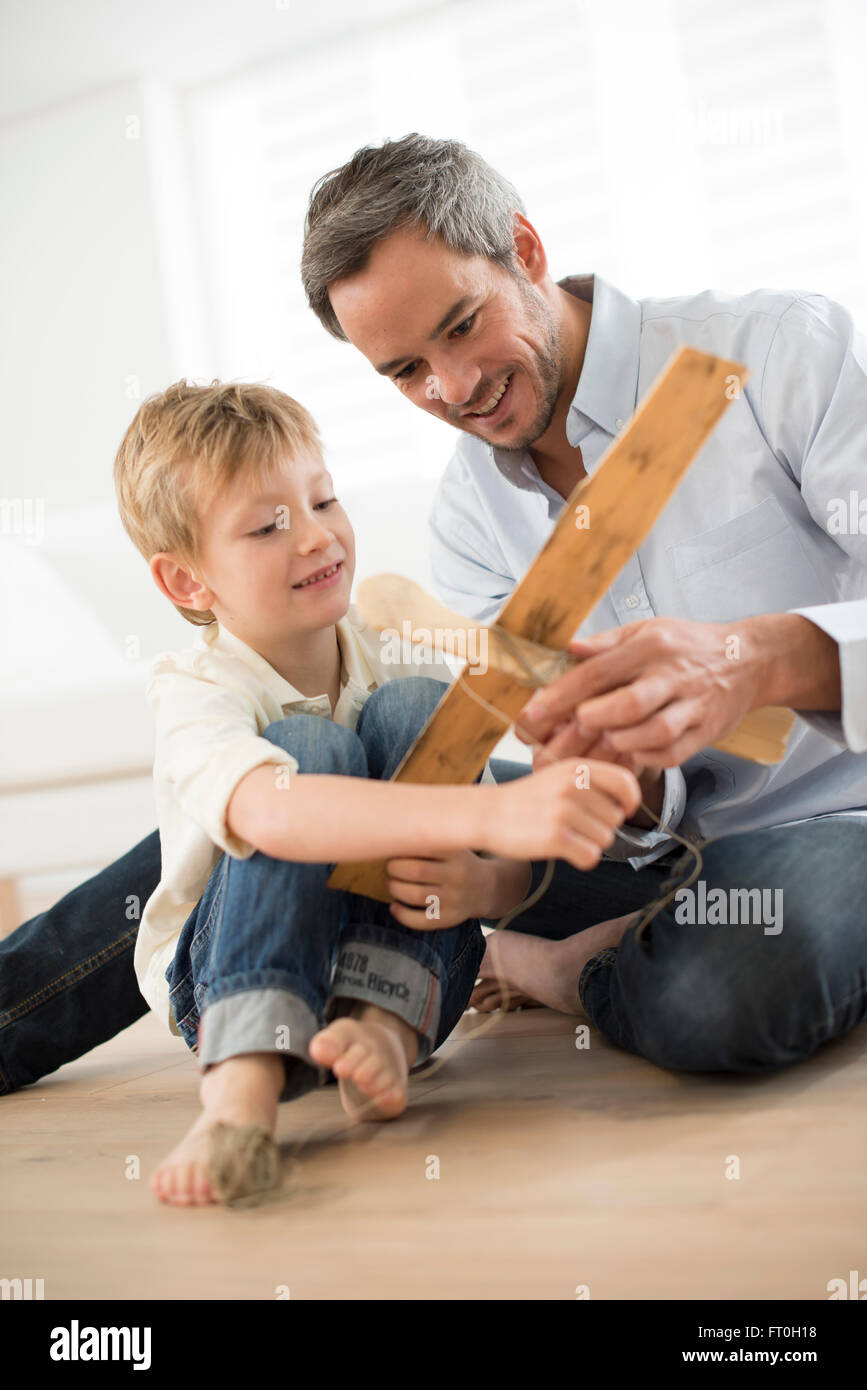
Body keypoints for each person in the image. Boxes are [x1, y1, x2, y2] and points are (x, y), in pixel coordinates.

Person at [3, 130, 866, 1092]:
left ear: (525, 251)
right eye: (405, 371)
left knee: (727, 994)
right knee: (262, 796)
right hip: (640, 848)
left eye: (460, 327)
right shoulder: (470, 509)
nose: (452, 390)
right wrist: (600, 773)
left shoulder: (775, 353)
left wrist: (761, 658)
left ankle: (555, 965)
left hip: (840, 813)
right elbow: (605, 809)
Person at [108, 378, 639, 1204]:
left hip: (397, 972)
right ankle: (239, 1095)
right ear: (186, 583)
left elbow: (501, 697)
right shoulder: (194, 686)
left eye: (323, 500)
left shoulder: (384, 638)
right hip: (229, 980)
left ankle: (383, 1025)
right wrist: (490, 809)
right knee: (306, 750)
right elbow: (269, 811)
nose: (317, 537)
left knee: (422, 711)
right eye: (268, 526)